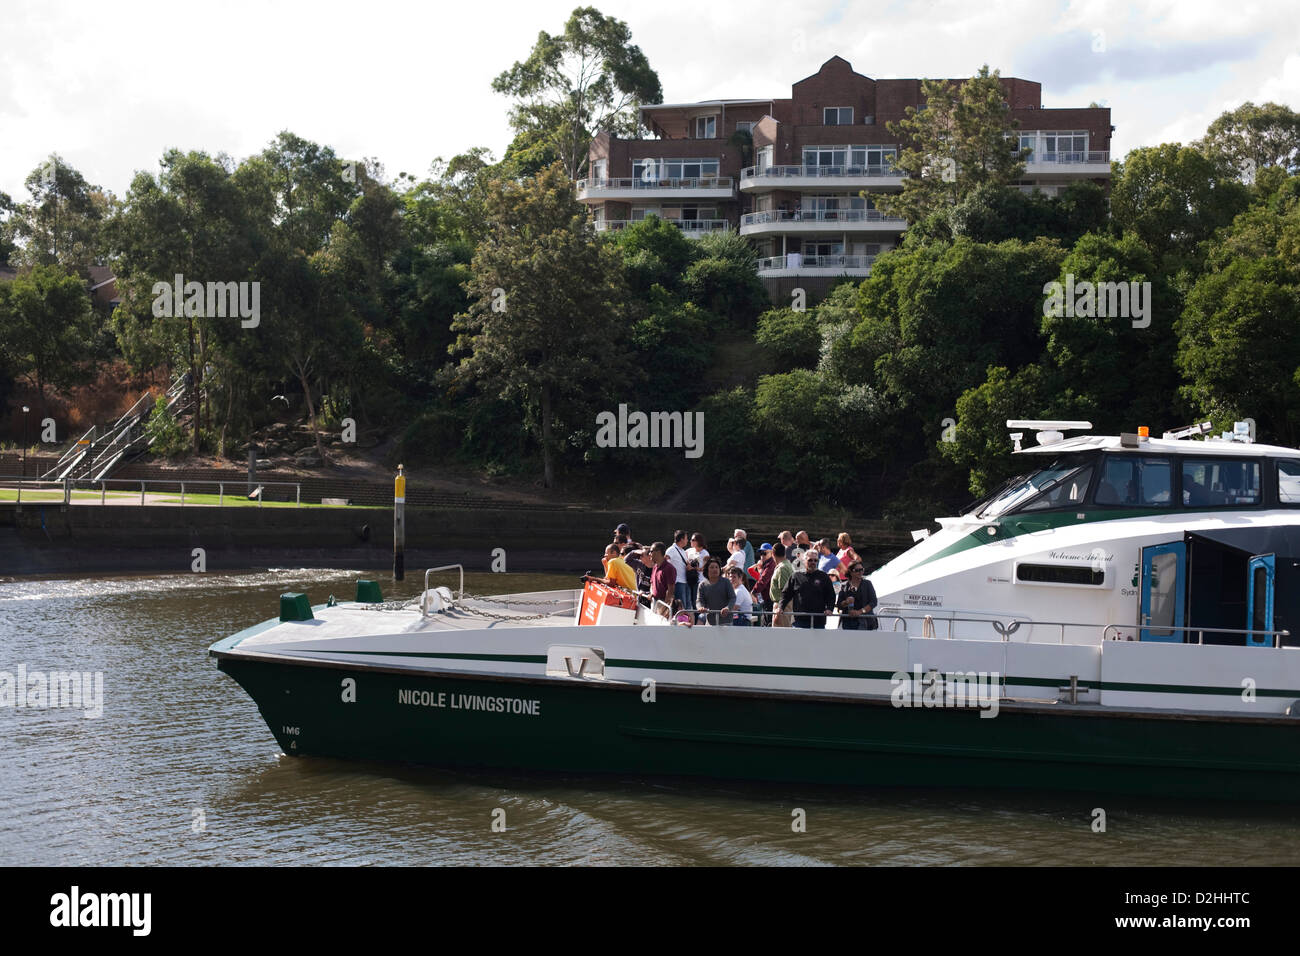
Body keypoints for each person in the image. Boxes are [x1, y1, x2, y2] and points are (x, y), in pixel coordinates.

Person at [778, 549, 836, 629]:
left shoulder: (824, 577)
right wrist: (780, 607)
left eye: (815, 560)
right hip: (799, 621)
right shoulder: (796, 576)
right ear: (804, 561)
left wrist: (830, 609)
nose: (813, 562)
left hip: (818, 621)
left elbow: (831, 595)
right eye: (810, 560)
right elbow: (786, 594)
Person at [836, 561, 878, 630]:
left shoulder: (867, 584)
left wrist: (860, 612)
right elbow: (839, 605)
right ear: (850, 572)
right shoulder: (844, 586)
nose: (860, 572)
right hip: (848, 622)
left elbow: (873, 602)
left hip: (865, 621)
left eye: (862, 569)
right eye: (857, 570)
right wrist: (846, 602)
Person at [695, 556, 735, 626]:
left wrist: (728, 608)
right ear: (707, 570)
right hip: (710, 622)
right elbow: (699, 600)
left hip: (726, 621)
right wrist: (700, 607)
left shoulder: (726, 582)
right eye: (712, 567)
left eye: (717, 567)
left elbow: (732, 597)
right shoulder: (702, 585)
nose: (715, 569)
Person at [768, 543, 795, 625]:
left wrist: (780, 608)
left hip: (782, 606)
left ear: (773, 554)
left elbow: (785, 591)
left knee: (780, 633)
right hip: (783, 605)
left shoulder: (782, 568)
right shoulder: (787, 565)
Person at [667, 530, 692, 613]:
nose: (687, 540)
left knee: (688, 605)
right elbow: (666, 561)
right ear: (681, 539)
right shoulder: (671, 550)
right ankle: (682, 623)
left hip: (686, 581)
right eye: (686, 538)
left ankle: (689, 622)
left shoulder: (683, 551)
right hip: (678, 582)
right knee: (682, 606)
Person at [648, 541, 676, 613]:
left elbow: (670, 590)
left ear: (658, 552)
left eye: (651, 551)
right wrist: (651, 593)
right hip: (654, 602)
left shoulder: (669, 568)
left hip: (663, 604)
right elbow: (652, 583)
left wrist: (664, 607)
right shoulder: (655, 567)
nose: (649, 554)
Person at [752, 544, 776, 624]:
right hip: (767, 597)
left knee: (768, 621)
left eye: (764, 553)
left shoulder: (770, 565)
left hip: (770, 598)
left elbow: (763, 580)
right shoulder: (767, 564)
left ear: (771, 553)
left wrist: (754, 591)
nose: (762, 555)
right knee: (767, 620)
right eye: (760, 553)